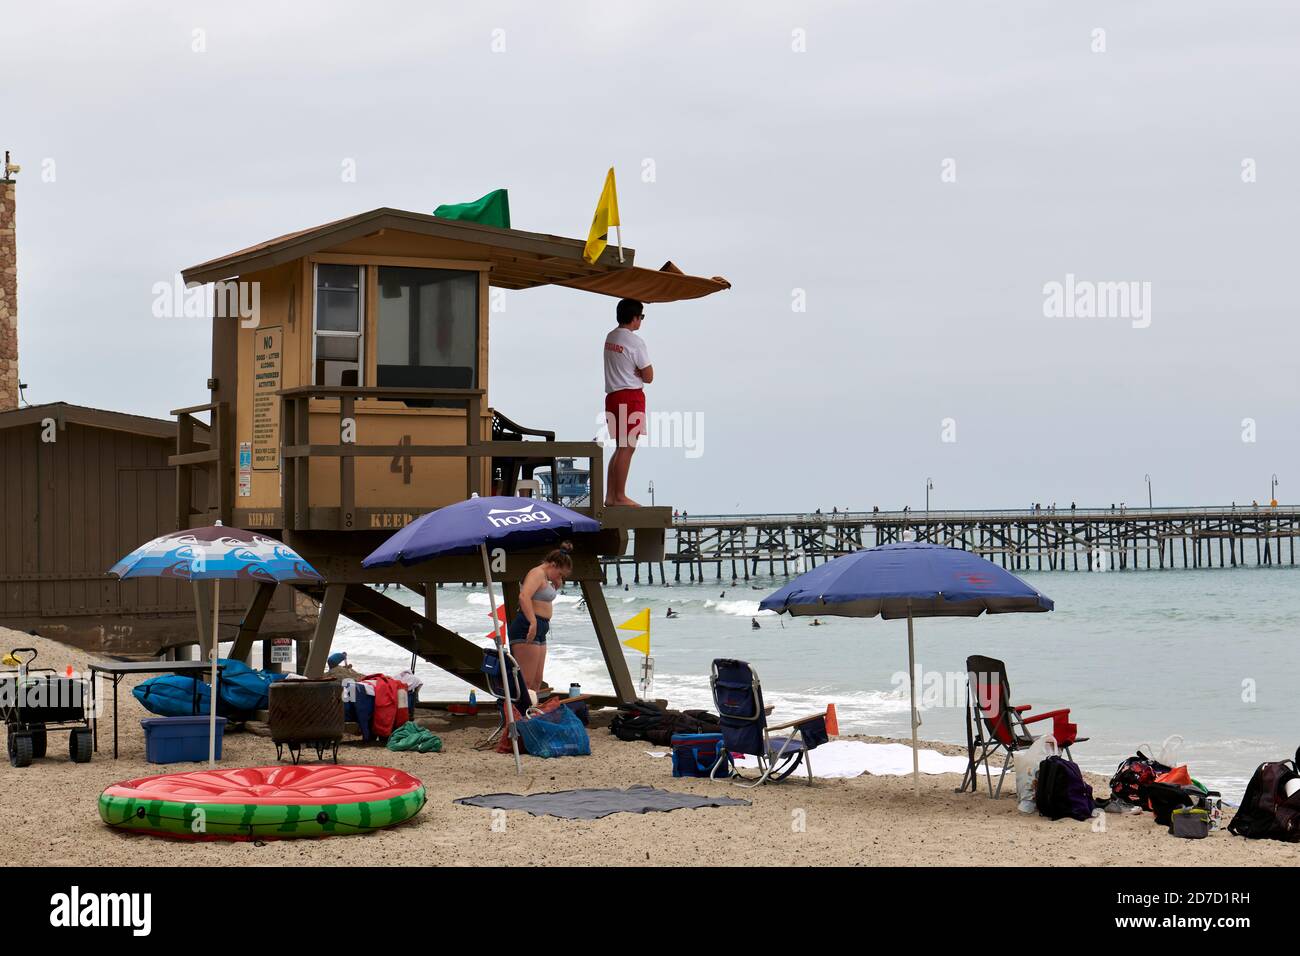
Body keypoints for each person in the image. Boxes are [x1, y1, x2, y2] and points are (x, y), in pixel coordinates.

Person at [603, 298, 653, 507]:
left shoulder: (610, 337)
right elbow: (649, 376)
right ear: (634, 318)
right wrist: (639, 372)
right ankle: (620, 496)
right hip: (630, 396)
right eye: (641, 317)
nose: (641, 320)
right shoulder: (635, 341)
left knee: (619, 447)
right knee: (628, 447)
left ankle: (610, 496)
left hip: (612, 396)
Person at [507, 549, 573, 692]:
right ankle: (516, 713)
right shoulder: (537, 573)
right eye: (560, 573)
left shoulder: (546, 578)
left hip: (541, 626)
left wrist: (557, 582)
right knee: (526, 681)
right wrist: (532, 622)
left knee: (537, 681)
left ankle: (531, 713)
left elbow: (544, 596)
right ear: (553, 565)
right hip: (527, 624)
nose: (560, 576)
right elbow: (524, 597)